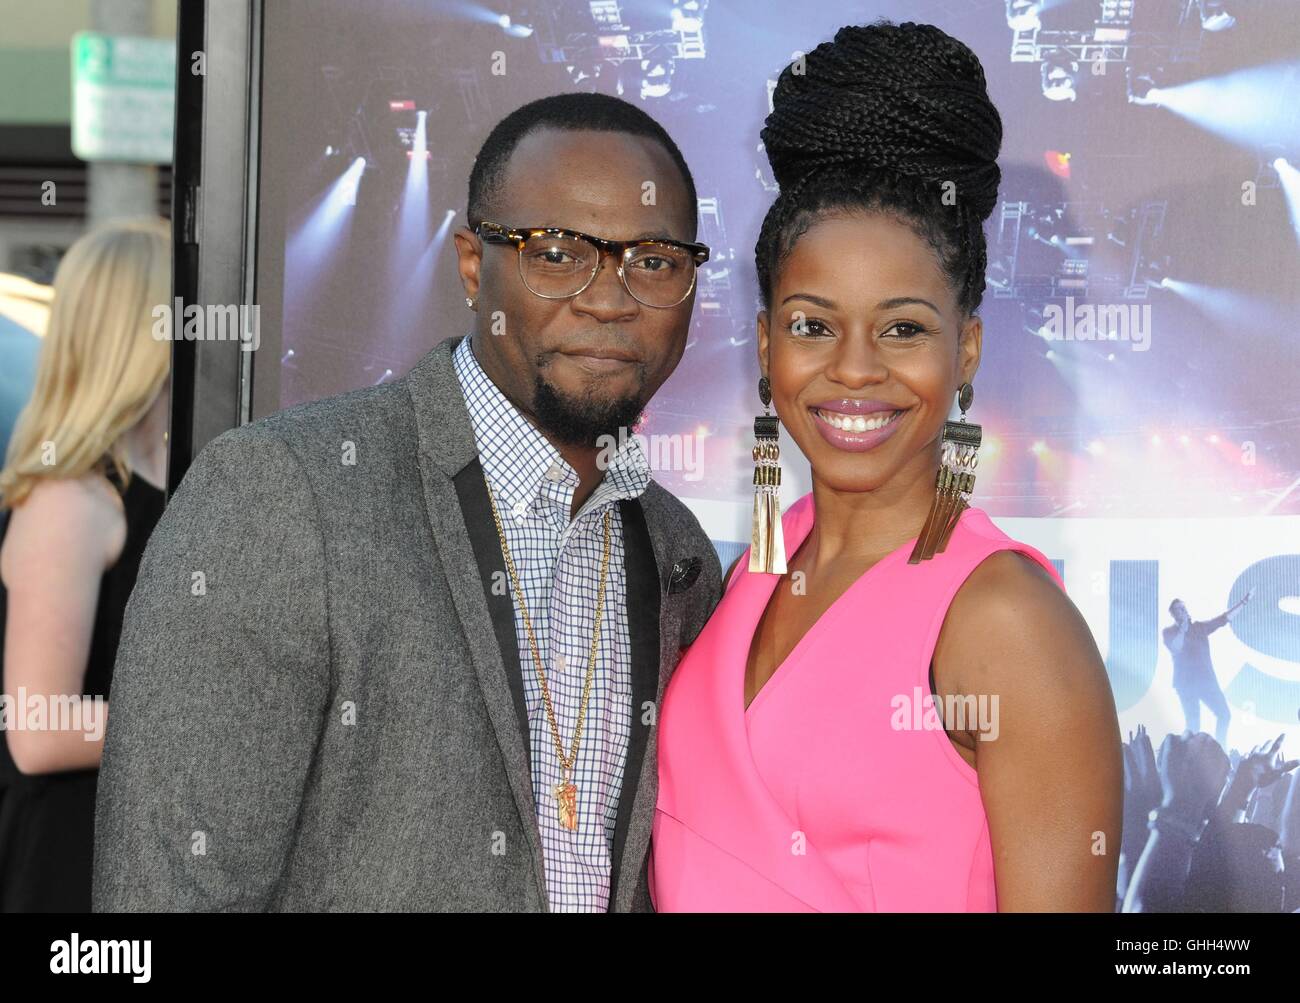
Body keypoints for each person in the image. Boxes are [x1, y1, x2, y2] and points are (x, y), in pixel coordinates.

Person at [92, 93, 722, 912]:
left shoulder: (679, 551)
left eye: (655, 260)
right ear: (471, 264)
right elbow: (163, 892)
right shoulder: (285, 493)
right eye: (558, 253)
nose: (610, 297)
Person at [651, 21, 1123, 912]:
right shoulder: (750, 567)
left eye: (903, 327)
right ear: (765, 343)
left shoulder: (1006, 624)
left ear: (968, 348)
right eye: (812, 325)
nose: (855, 369)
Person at [0, 218, 171, 912]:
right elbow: (38, 731)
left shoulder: (149, 480)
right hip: (68, 865)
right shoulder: (70, 499)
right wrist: (190, 715)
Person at [1162, 592, 1252, 748]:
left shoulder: (1200, 628)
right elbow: (1176, 648)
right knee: (1193, 724)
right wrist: (1182, 630)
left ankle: (1220, 750)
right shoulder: (1169, 632)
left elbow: (1223, 619)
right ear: (1173, 614)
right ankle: (1187, 758)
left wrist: (1244, 602)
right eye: (1177, 609)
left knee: (1224, 714)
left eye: (1183, 608)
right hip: (1186, 685)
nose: (1182, 611)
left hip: (1206, 682)